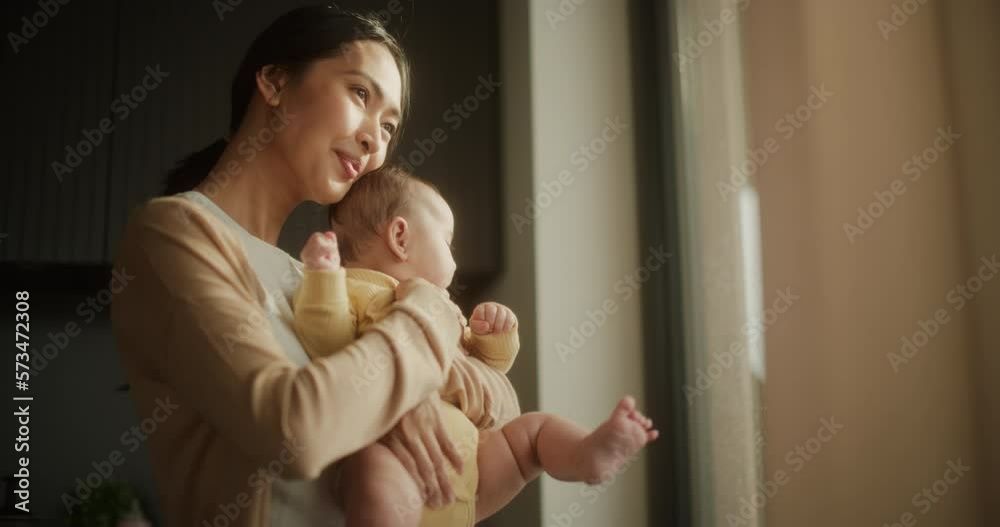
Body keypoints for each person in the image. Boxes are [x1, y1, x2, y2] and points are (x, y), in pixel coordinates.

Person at [110, 6, 519, 526]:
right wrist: (428, 319)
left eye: (390, 125)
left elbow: (502, 412)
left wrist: (390, 393)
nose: (375, 139)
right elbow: (295, 431)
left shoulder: (321, 285)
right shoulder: (173, 233)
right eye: (360, 94)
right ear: (276, 82)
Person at [293, 166, 659, 526]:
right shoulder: (354, 290)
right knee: (370, 466)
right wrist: (322, 280)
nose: (454, 256)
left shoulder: (442, 310)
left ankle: (585, 453)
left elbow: (485, 369)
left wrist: (496, 336)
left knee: (533, 433)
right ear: (401, 238)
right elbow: (326, 338)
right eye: (447, 241)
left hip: (476, 469)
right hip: (406, 464)